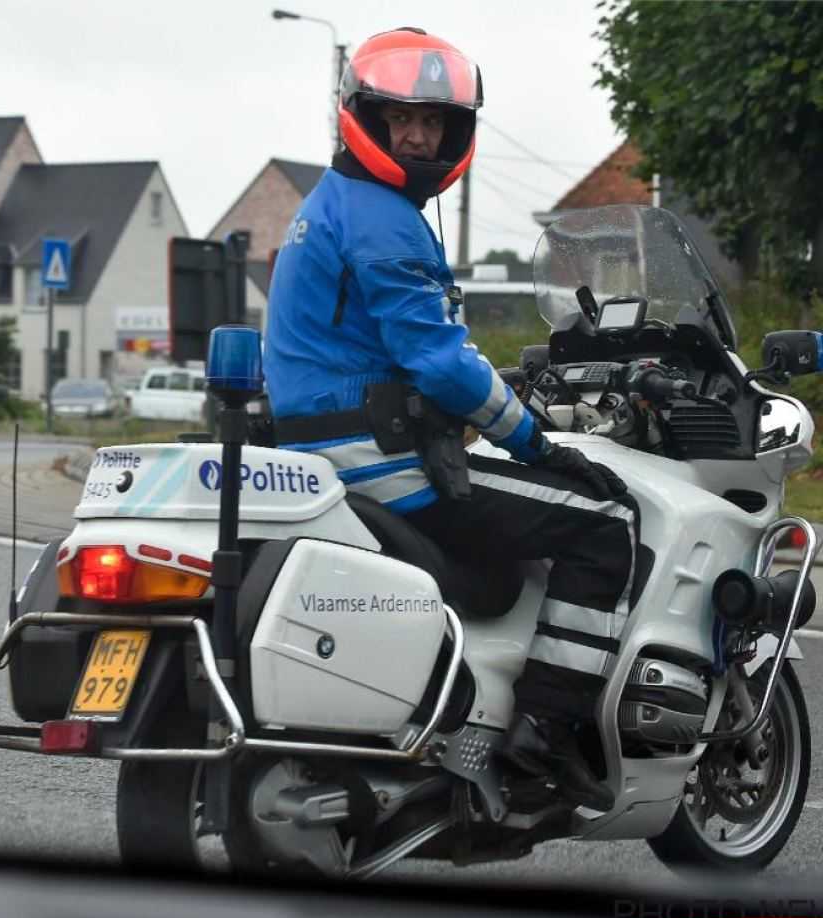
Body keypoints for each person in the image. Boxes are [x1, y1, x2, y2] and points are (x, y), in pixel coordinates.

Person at [262, 27, 638, 812]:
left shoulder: (331, 205)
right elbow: (436, 361)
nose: (418, 134)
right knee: (605, 520)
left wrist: (485, 387)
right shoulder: (383, 218)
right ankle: (546, 733)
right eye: (400, 117)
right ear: (363, 114)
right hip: (382, 467)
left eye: (433, 121)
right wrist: (534, 441)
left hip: (323, 456)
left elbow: (392, 354)